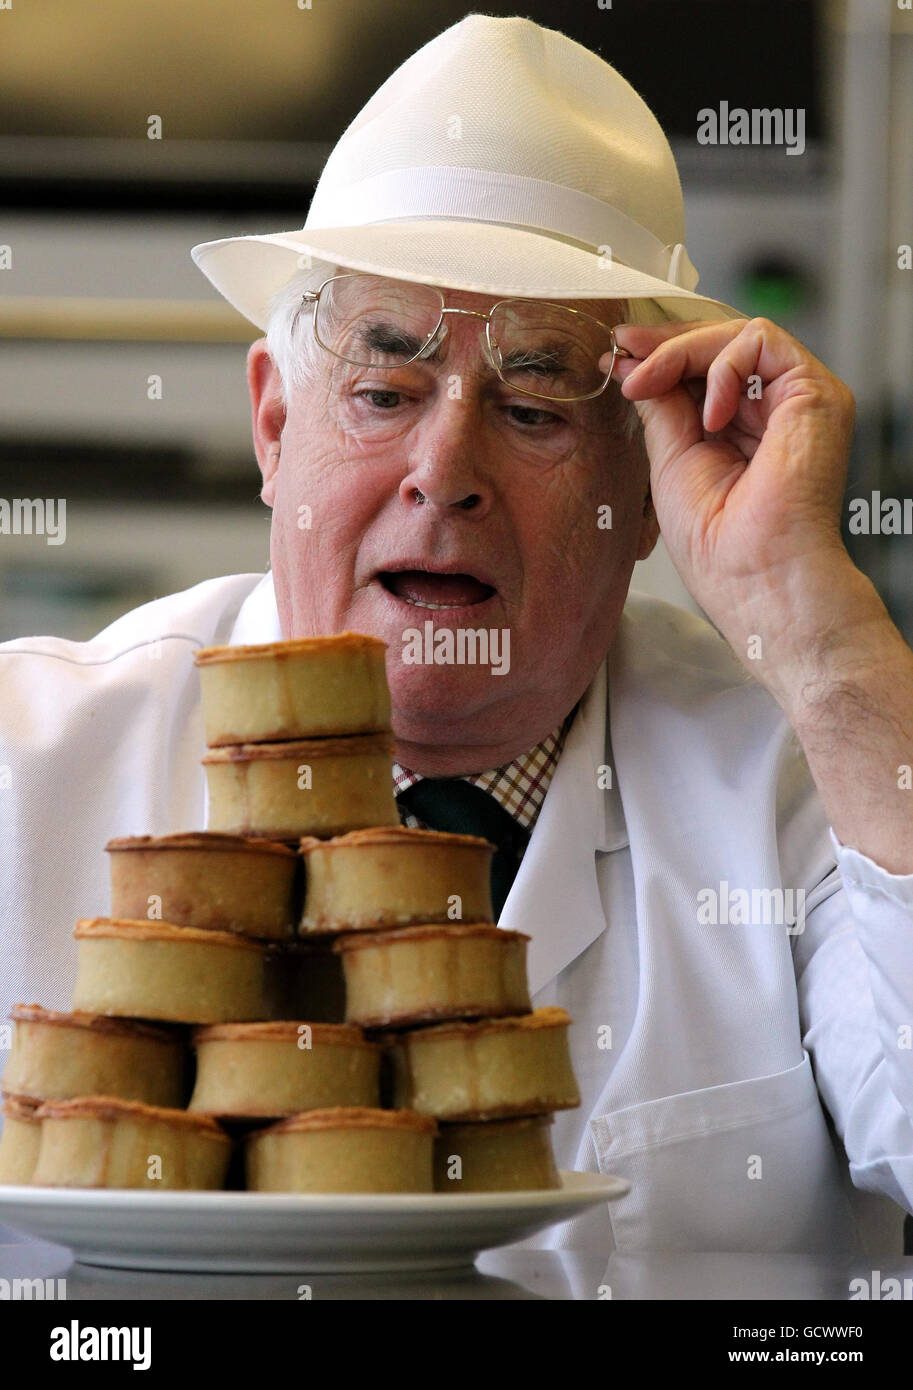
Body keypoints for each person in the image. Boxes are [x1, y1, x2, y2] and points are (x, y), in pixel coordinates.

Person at [2, 13, 912, 1256]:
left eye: (536, 406)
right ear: (275, 429)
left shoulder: (806, 781)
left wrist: (821, 635)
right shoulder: (23, 764)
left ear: (641, 486)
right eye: (383, 392)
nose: (445, 473)